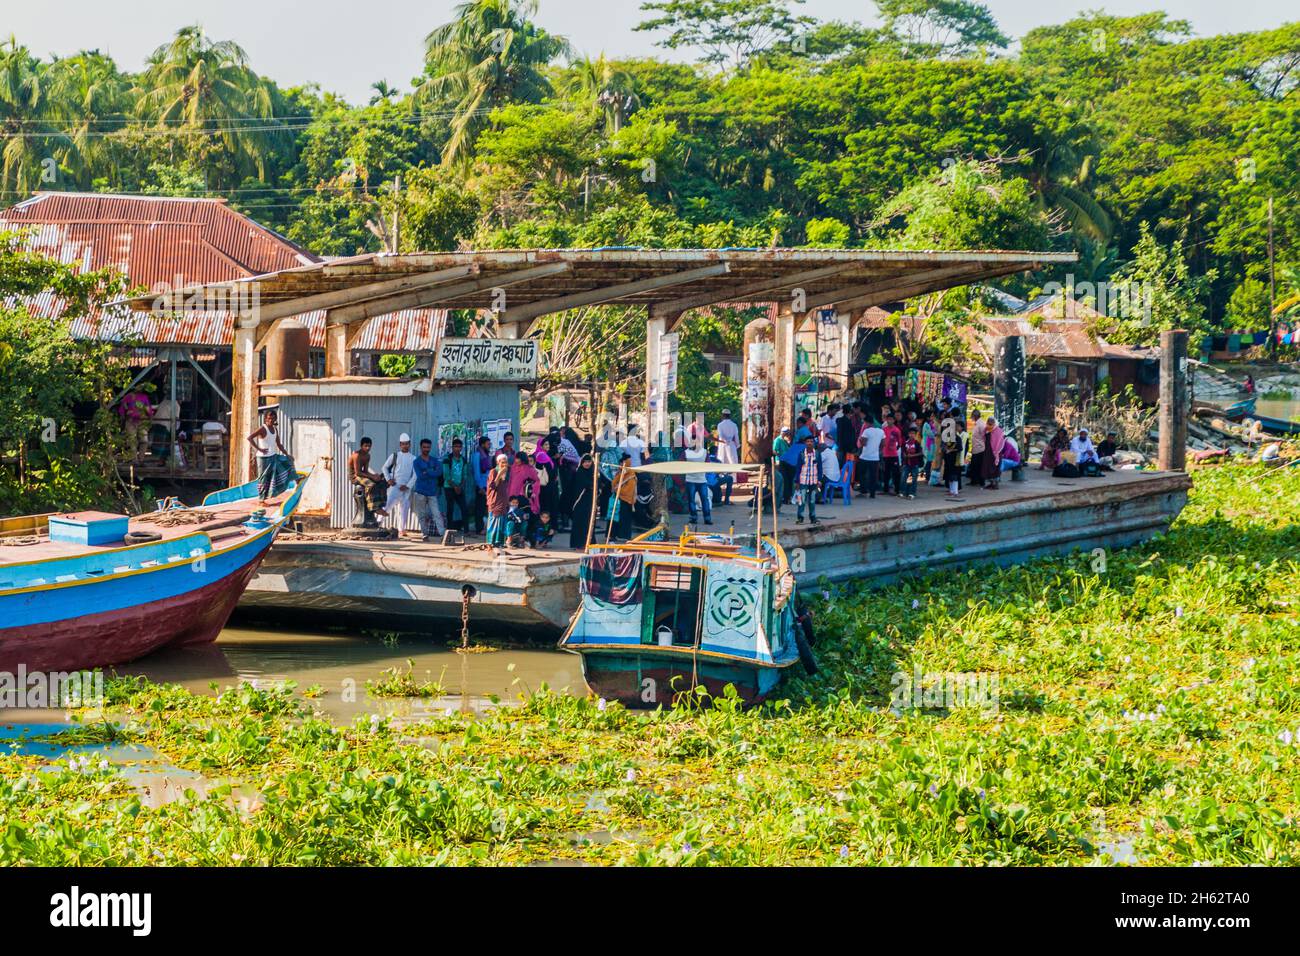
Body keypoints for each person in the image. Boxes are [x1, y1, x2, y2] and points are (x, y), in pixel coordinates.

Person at [248, 408, 293, 505]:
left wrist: (287, 454)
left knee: (286, 463)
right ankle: (261, 500)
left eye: (273, 418)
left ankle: (294, 479)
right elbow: (250, 438)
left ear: (275, 419)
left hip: (273, 456)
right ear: (265, 419)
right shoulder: (263, 428)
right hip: (263, 458)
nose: (271, 420)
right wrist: (259, 449)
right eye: (269, 418)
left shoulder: (275, 429)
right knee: (263, 478)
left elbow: (279, 444)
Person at [410, 438, 446, 541]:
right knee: (421, 515)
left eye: (428, 447)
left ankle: (442, 534)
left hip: (432, 492)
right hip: (420, 491)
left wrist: (427, 471)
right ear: (421, 447)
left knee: (436, 514)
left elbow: (439, 472)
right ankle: (424, 534)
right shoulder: (416, 461)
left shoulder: (434, 460)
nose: (426, 449)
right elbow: (420, 476)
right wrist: (431, 471)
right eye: (424, 447)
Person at [348, 436, 388, 522]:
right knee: (371, 484)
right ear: (361, 446)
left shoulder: (367, 456)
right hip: (354, 477)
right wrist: (372, 477)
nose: (368, 448)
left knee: (381, 482)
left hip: (362, 475)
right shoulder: (356, 455)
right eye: (365, 446)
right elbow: (358, 472)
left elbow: (365, 471)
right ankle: (373, 507)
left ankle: (380, 506)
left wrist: (375, 476)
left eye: (369, 446)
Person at [382, 433, 417, 531]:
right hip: (394, 486)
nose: (405, 446)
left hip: (406, 488)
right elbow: (384, 467)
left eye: (407, 444)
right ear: (400, 445)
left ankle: (402, 530)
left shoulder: (413, 458)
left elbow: (415, 475)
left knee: (404, 509)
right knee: (387, 506)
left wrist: (408, 486)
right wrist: (388, 479)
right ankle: (378, 525)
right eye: (403, 444)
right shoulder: (395, 456)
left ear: (410, 444)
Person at [442, 437, 471, 532]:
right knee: (450, 509)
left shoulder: (463, 459)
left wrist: (460, 486)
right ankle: (449, 531)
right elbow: (446, 475)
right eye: (455, 446)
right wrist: (454, 486)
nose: (457, 449)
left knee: (464, 508)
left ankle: (466, 530)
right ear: (452, 447)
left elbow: (465, 474)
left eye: (459, 447)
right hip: (449, 487)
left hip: (459, 488)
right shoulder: (447, 459)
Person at [485, 454, 511, 555]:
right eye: (502, 462)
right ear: (498, 462)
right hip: (495, 501)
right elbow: (492, 486)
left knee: (501, 524)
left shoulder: (507, 473)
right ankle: (490, 545)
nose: (504, 464)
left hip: (503, 500)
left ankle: (498, 544)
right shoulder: (493, 471)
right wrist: (499, 475)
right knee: (494, 524)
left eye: (506, 462)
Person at [793, 435, 823, 526]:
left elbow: (820, 467)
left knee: (812, 500)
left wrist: (819, 480)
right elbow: (798, 468)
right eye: (808, 441)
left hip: (813, 481)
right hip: (803, 480)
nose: (809, 443)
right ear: (805, 443)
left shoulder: (817, 454)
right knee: (801, 500)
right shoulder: (801, 454)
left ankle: (813, 518)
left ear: (813, 443)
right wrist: (797, 481)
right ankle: (800, 518)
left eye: (811, 441)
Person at [569, 455, 597, 549]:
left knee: (589, 521)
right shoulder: (579, 472)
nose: (587, 464)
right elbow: (581, 485)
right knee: (579, 522)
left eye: (589, 461)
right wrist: (590, 486)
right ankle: (578, 543)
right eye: (585, 462)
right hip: (580, 501)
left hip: (590, 501)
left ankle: (589, 543)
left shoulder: (593, 472)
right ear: (582, 462)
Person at [683, 441, 712, 526]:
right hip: (702, 480)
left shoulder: (686, 453)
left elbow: (681, 464)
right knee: (705, 500)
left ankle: (693, 518)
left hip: (690, 480)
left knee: (691, 500)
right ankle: (707, 519)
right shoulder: (705, 452)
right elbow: (708, 464)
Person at [611, 453, 637, 539]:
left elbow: (628, 490)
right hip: (620, 499)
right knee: (619, 518)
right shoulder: (622, 473)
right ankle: (618, 535)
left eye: (622, 463)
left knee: (624, 520)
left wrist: (617, 489)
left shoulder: (630, 475)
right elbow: (614, 483)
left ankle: (624, 536)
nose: (620, 465)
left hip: (626, 500)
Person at [471, 435, 493, 535]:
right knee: (479, 508)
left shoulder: (486, 455)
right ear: (482, 444)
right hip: (481, 486)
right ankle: (479, 528)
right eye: (488, 444)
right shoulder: (477, 455)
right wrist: (480, 486)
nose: (489, 446)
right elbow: (476, 472)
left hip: (488, 485)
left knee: (486, 508)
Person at [858, 416, 884, 499]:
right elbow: (883, 443)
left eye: (864, 423)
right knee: (873, 476)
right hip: (875, 457)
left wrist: (860, 439)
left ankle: (863, 491)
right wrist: (878, 450)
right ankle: (872, 493)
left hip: (865, 456)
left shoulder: (866, 431)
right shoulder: (881, 431)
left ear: (867, 423)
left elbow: (864, 443)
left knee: (862, 474)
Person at [940, 412, 963, 501]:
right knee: (948, 475)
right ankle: (951, 490)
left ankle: (955, 491)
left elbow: (960, 448)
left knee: (954, 475)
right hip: (947, 458)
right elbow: (943, 446)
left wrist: (951, 450)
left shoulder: (958, 438)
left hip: (955, 459)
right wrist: (945, 449)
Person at [881, 413, 903, 497]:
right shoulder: (884, 429)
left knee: (895, 473)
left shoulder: (896, 430)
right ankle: (885, 489)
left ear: (894, 420)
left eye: (891, 419)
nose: (890, 421)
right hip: (885, 454)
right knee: (886, 472)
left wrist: (895, 449)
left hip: (894, 454)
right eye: (888, 419)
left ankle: (897, 490)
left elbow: (900, 443)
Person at [902, 425, 924, 498]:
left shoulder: (917, 443)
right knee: (904, 478)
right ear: (908, 434)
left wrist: (913, 455)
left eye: (913, 433)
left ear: (915, 435)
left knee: (914, 479)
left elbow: (921, 452)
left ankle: (912, 493)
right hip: (906, 463)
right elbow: (903, 451)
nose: (912, 435)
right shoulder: (905, 443)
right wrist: (904, 454)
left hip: (915, 463)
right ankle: (904, 492)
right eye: (910, 433)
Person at [774, 426, 794, 506]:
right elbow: (774, 450)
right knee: (783, 479)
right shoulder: (777, 440)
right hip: (780, 461)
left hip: (787, 461)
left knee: (788, 479)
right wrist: (780, 457)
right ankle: (783, 497)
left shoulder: (785, 441)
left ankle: (787, 497)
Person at [982, 417, 1005, 489]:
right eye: (988, 423)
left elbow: (999, 443)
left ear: (994, 423)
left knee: (995, 468)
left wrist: (996, 453)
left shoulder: (998, 431)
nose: (989, 425)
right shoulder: (986, 429)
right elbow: (984, 437)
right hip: (988, 452)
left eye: (991, 424)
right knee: (987, 467)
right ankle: (991, 483)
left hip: (996, 452)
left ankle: (996, 484)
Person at [967, 408, 986, 487]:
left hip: (980, 448)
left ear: (975, 416)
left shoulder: (981, 424)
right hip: (976, 448)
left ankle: (980, 481)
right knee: (974, 466)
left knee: (979, 466)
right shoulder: (977, 424)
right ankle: (975, 481)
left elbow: (984, 436)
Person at [922, 413, 938, 482]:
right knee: (928, 461)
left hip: (934, 445)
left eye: (934, 416)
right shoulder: (926, 425)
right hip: (927, 445)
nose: (933, 417)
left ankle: (930, 476)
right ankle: (927, 476)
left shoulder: (936, 424)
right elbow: (930, 434)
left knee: (932, 461)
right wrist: (936, 434)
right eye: (931, 416)